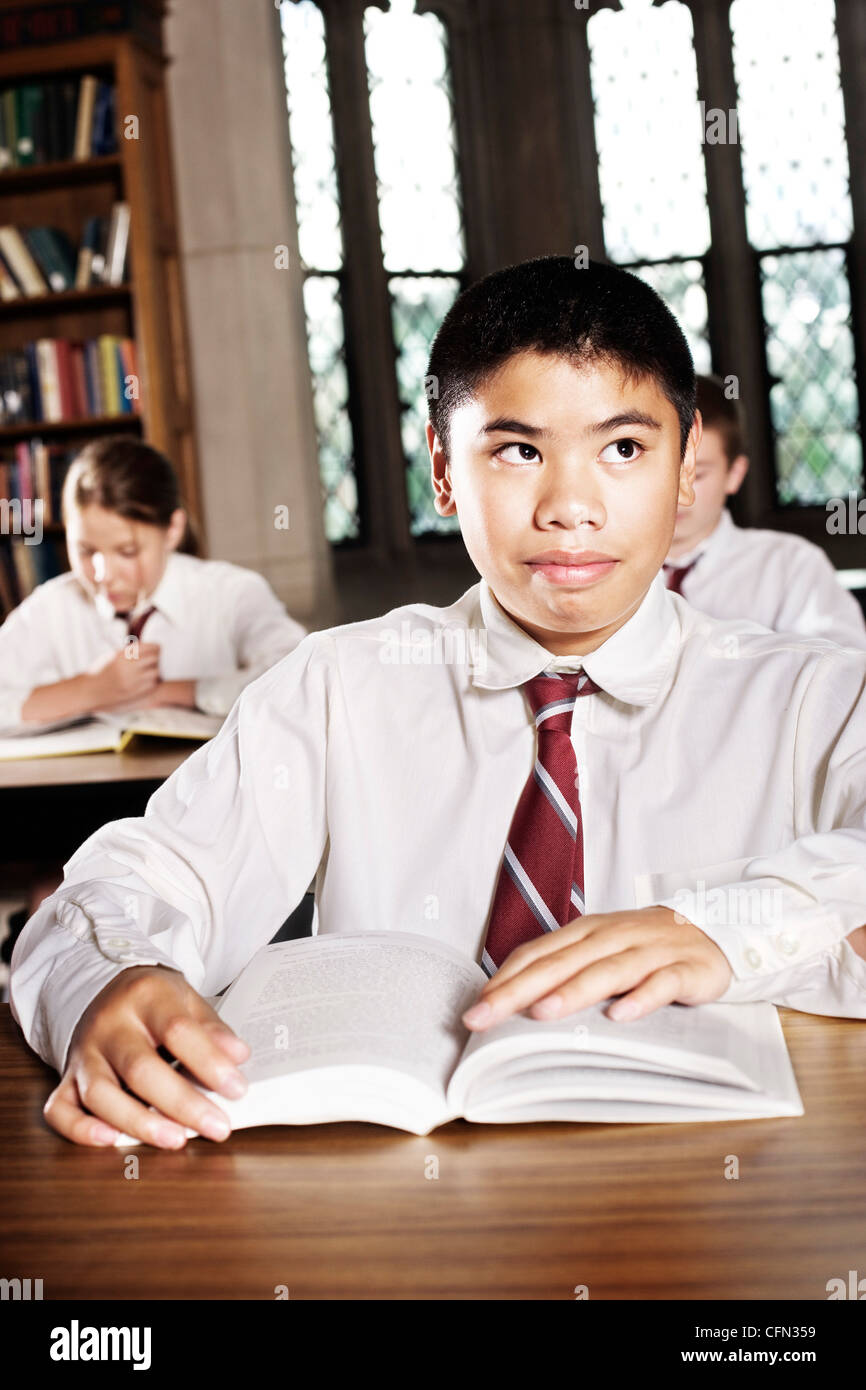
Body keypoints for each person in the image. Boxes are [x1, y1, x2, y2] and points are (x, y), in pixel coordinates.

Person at [9, 257, 866, 1153]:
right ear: (445, 472)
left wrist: (729, 925)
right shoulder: (336, 686)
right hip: (399, 1203)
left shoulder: (816, 698)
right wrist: (108, 985)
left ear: (688, 467)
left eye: (623, 449)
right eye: (518, 451)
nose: (571, 508)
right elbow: (122, 889)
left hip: (717, 1194)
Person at [0, 434, 306, 972]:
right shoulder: (53, 606)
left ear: (173, 530)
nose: (102, 574)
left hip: (208, 823)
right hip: (81, 819)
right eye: (85, 549)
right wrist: (90, 690)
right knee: (59, 901)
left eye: (126, 552)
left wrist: (179, 691)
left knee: (192, 927)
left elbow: (295, 671)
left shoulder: (229, 592)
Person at [663, 375, 866, 646]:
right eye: (664, 473)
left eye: (697, 475)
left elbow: (844, 671)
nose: (678, 493)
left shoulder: (792, 567)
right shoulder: (605, 569)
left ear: (734, 474)